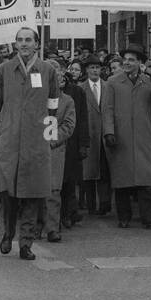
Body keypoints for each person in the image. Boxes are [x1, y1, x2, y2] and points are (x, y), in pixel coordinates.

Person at [0, 28, 61, 260]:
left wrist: (49, 137)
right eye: (19, 40)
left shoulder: (48, 71)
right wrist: (6, 128)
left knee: (32, 194)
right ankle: (8, 233)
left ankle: (26, 243)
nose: (23, 44)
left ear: (36, 43)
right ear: (15, 44)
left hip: (36, 142)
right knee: (8, 192)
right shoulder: (4, 70)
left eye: (28, 40)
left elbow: (53, 105)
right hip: (10, 142)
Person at [101, 44, 151, 229]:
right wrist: (109, 132)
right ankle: (124, 216)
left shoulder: (148, 82)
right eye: (125, 60)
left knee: (146, 180)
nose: (127, 63)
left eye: (131, 60)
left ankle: (148, 217)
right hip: (122, 136)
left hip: (144, 136)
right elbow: (107, 110)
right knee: (122, 179)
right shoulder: (112, 82)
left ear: (140, 63)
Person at [40, 64, 79, 242]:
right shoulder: (38, 98)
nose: (58, 80)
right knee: (35, 189)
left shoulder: (68, 101)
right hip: (36, 149)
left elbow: (69, 125)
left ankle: (52, 229)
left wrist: (53, 140)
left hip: (55, 150)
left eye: (61, 77)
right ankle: (35, 226)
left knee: (54, 191)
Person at [58, 60, 88, 229]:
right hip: (52, 143)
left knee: (69, 182)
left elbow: (83, 118)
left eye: (62, 73)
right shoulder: (44, 91)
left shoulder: (76, 92)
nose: (59, 77)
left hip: (72, 143)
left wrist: (84, 144)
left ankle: (67, 214)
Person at [78, 54, 107, 217]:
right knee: (88, 173)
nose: (95, 71)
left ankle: (104, 203)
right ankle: (90, 205)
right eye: (91, 68)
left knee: (104, 170)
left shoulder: (108, 86)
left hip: (104, 134)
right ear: (87, 70)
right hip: (89, 134)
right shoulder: (81, 88)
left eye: (97, 68)